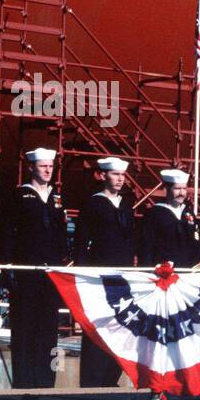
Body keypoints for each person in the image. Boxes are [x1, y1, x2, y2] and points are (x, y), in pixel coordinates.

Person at [0, 146, 68, 388]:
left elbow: (62, 235)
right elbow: (7, 232)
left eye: (51, 166)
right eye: (43, 166)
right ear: (32, 168)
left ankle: (46, 379)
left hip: (50, 273)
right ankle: (24, 380)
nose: (48, 170)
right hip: (26, 270)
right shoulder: (19, 195)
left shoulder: (57, 198)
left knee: (48, 328)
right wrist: (6, 266)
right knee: (24, 326)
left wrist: (64, 263)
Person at [71, 156, 137, 387]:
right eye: (115, 174)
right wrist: (81, 274)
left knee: (120, 327)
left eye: (122, 175)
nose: (120, 179)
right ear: (104, 176)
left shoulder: (126, 206)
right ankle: (93, 378)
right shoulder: (93, 204)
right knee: (98, 327)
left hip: (122, 278)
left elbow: (131, 242)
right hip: (99, 277)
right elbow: (81, 242)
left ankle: (111, 376)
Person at [138, 169, 200, 268]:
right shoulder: (154, 214)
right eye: (177, 189)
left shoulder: (189, 213)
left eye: (184, 189)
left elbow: (198, 241)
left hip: (188, 271)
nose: (182, 193)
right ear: (166, 189)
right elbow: (146, 247)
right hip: (163, 273)